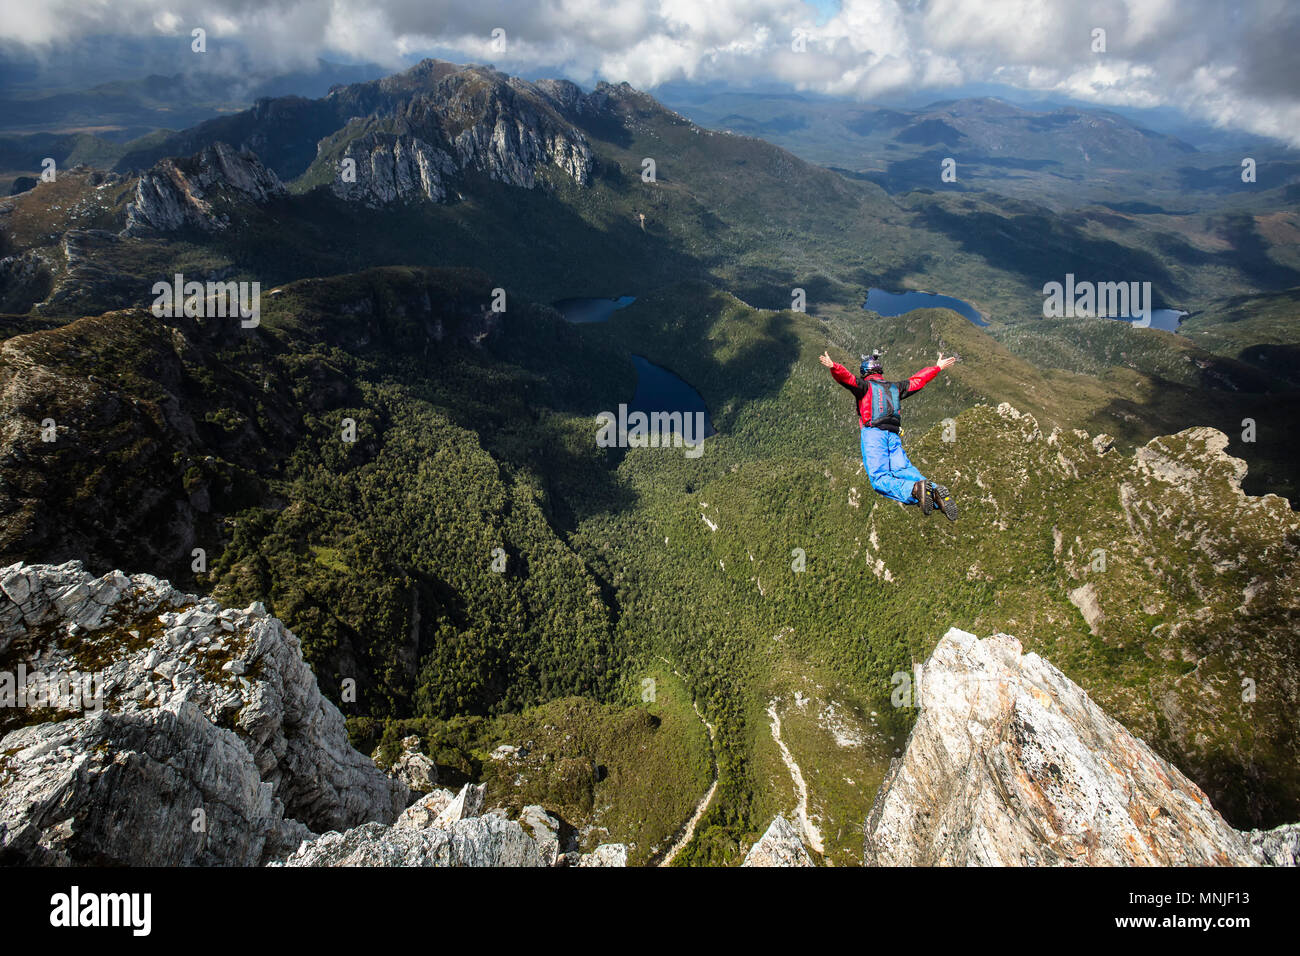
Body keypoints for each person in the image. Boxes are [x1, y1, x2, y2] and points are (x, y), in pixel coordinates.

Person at [819, 348, 959, 520]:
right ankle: (936, 492)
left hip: (874, 435)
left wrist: (834, 366)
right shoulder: (896, 388)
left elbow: (847, 378)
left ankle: (914, 489)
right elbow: (917, 381)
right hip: (893, 436)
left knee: (879, 479)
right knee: (904, 470)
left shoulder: (864, 387)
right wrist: (936, 368)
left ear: (865, 372)